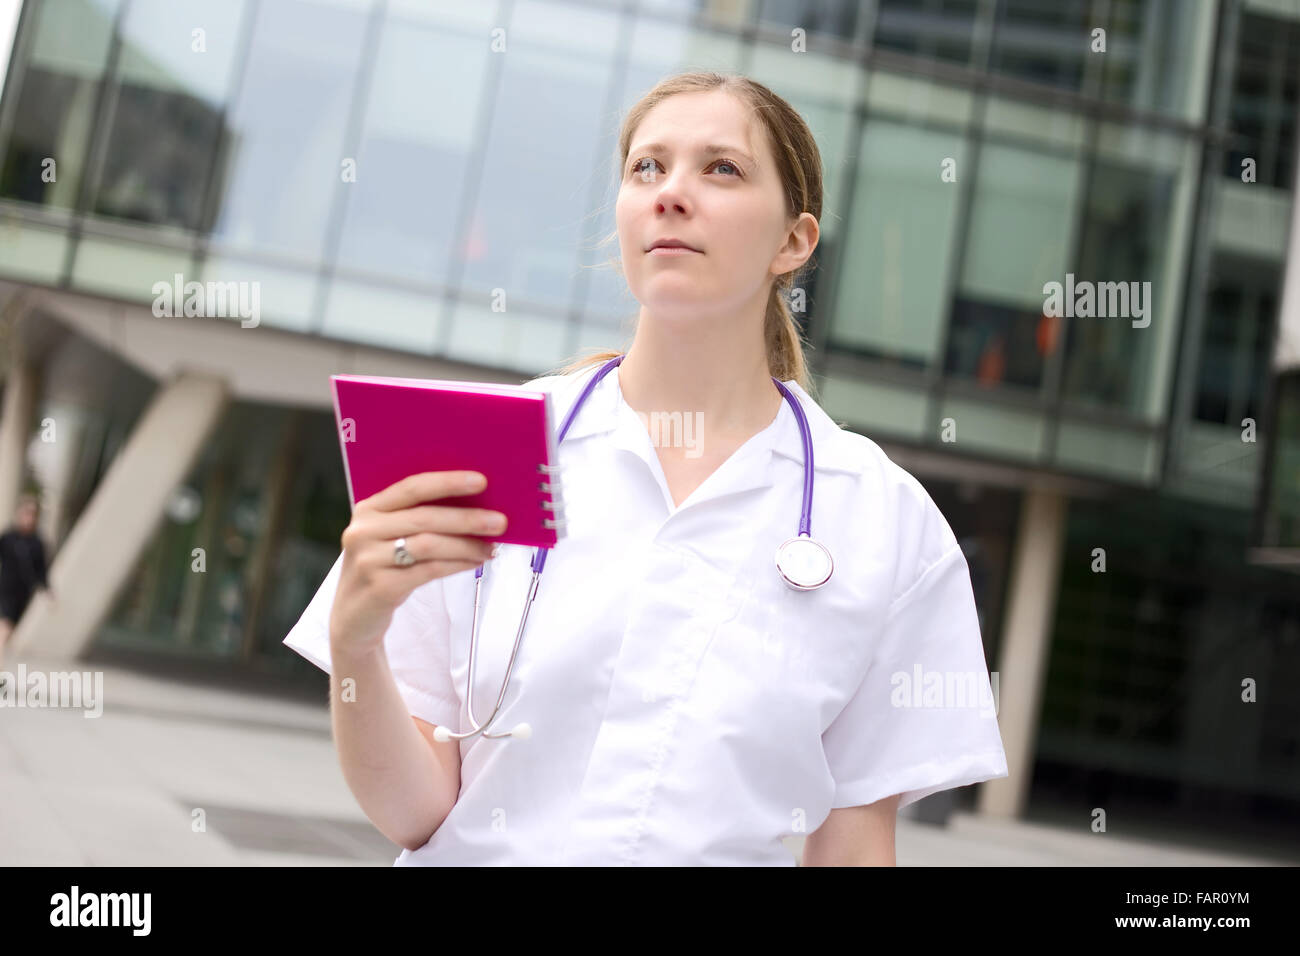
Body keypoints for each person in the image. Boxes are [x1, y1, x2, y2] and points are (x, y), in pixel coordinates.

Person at [284, 71, 1007, 866]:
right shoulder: (485, 450)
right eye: (647, 168)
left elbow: (852, 846)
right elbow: (416, 813)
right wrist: (356, 647)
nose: (671, 194)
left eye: (721, 168)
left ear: (793, 242)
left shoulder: (883, 522)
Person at [0, 493, 53, 682]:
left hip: (23, 594)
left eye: (32, 514)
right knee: (4, 628)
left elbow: (42, 571)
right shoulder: (8, 537)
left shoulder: (37, 543)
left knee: (8, 631)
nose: (28, 517)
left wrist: (48, 592)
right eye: (26, 513)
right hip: (5, 589)